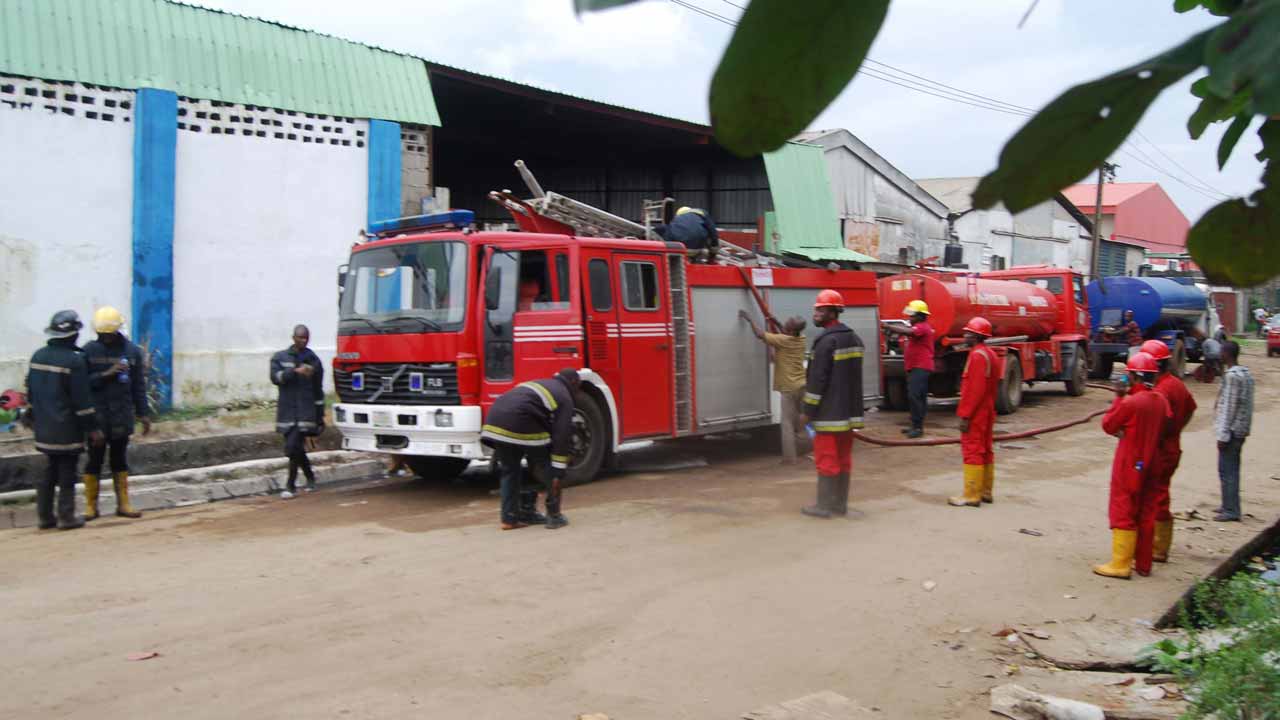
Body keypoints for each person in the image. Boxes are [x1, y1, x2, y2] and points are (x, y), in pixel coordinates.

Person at [1093, 352, 1170, 579]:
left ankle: (1121, 564)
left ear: (1134, 377)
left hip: (1130, 460)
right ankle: (1143, 564)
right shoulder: (1161, 400)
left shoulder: (1131, 402)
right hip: (1152, 461)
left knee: (1123, 508)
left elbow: (1108, 425)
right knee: (1147, 512)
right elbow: (1166, 424)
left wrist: (1118, 397)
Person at [26, 310, 103, 530]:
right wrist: (93, 428)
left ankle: (45, 516)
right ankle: (66, 517)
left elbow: (31, 392)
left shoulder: (38, 356)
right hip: (67, 426)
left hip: (44, 425)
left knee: (49, 471)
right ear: (73, 335)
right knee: (67, 472)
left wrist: (32, 415)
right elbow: (82, 400)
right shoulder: (74, 361)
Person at [480, 368, 579, 530]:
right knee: (548, 468)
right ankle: (554, 516)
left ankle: (510, 519)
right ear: (574, 383)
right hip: (521, 420)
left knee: (510, 470)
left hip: (494, 419)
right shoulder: (564, 396)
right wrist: (559, 468)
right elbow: (562, 435)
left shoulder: (540, 384)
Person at [797, 290, 865, 519]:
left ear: (834, 311)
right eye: (816, 309)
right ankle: (839, 505)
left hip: (827, 415)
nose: (815, 313)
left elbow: (817, 381)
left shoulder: (826, 341)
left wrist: (807, 412)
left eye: (821, 309)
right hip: (849, 415)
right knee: (844, 459)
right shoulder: (854, 337)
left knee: (826, 459)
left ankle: (824, 506)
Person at [81, 306, 150, 520]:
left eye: (108, 334)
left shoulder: (132, 352)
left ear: (117, 331)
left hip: (121, 415)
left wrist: (143, 413)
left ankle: (124, 504)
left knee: (119, 460)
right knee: (94, 460)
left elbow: (138, 385)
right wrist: (106, 374)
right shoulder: (88, 352)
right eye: (102, 334)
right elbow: (82, 385)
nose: (105, 338)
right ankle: (91, 507)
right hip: (98, 418)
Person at [1134, 340, 1196, 571]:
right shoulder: (1176, 384)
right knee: (1161, 493)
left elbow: (1152, 422)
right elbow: (1190, 409)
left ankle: (1157, 548)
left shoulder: (1161, 391)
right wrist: (1177, 430)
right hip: (1172, 447)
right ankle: (1157, 545)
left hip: (1160, 451)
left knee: (1155, 498)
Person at [740, 310, 809, 463]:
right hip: (802, 385)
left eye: (787, 324)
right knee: (799, 421)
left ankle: (789, 458)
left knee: (787, 424)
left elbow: (759, 334)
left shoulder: (783, 340)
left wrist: (749, 318)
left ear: (790, 330)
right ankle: (806, 448)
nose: (784, 324)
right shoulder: (801, 338)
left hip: (789, 387)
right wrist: (776, 322)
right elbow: (786, 332)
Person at [948, 318, 1000, 507]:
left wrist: (965, 415)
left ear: (977, 336)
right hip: (987, 410)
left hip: (976, 412)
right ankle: (985, 491)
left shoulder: (977, 356)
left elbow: (974, 390)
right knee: (985, 449)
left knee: (972, 449)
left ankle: (971, 495)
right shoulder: (990, 354)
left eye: (968, 333)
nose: (964, 335)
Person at [270, 325, 325, 499]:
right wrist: (294, 371)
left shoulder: (313, 359)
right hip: (287, 411)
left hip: (305, 412)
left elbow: (318, 389)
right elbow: (275, 378)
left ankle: (290, 485)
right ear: (293, 337)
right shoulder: (279, 357)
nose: (303, 341)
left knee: (293, 446)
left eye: (306, 338)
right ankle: (310, 477)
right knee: (295, 449)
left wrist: (320, 415)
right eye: (300, 338)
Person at [1213, 340, 1252, 522]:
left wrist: (1223, 434)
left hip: (1232, 431)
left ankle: (1231, 509)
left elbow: (1229, 407)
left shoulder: (1232, 376)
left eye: (1222, 352)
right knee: (1230, 469)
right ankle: (1228, 504)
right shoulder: (1246, 374)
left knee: (1227, 470)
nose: (1220, 355)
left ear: (1227, 354)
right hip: (1241, 429)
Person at [883, 300, 934, 438]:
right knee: (915, 396)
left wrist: (889, 326)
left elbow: (909, 332)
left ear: (920, 316)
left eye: (912, 315)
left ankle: (917, 427)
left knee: (915, 396)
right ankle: (915, 425)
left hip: (920, 367)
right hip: (914, 367)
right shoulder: (919, 327)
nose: (909, 318)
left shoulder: (922, 327)